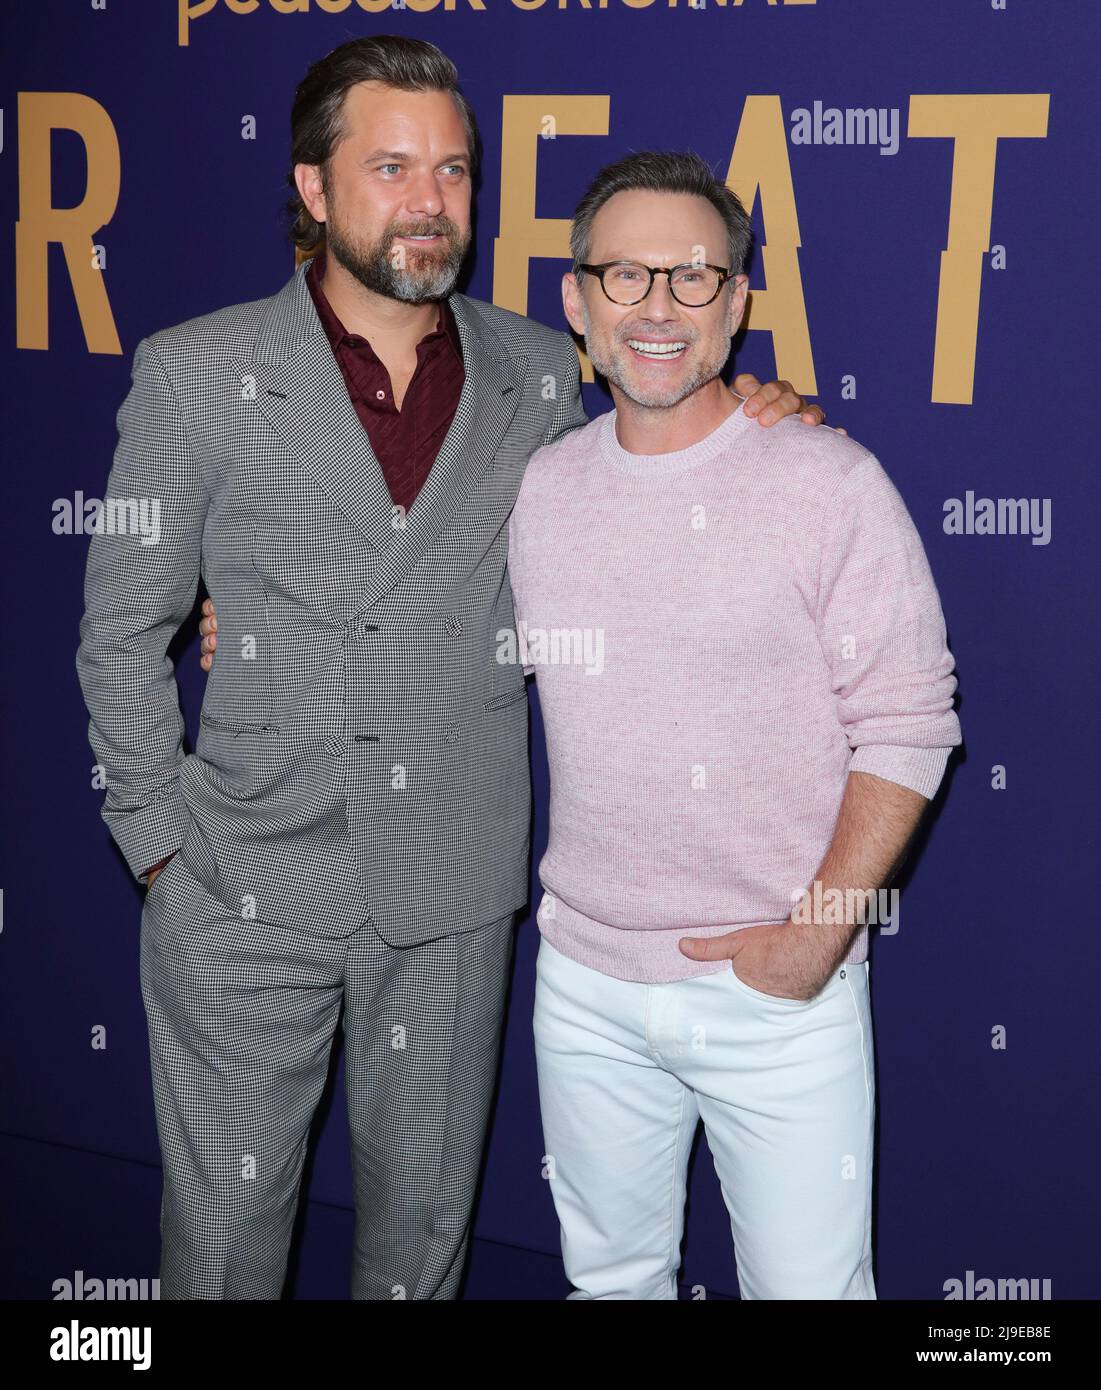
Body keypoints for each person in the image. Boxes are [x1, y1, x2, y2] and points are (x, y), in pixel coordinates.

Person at [77, 36, 820, 1301]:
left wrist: (756, 414)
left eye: (456, 172)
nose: (430, 201)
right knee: (219, 1251)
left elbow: (635, 502)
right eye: (391, 167)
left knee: (422, 1248)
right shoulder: (198, 372)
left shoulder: (541, 371)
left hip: (455, 892)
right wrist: (160, 846)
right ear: (314, 189)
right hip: (242, 889)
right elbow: (116, 633)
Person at [506, 150, 962, 1299]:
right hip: (585, 984)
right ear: (575, 300)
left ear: (738, 302)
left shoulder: (828, 483)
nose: (658, 307)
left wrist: (814, 937)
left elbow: (910, 723)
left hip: (776, 996)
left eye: (694, 277)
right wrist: (229, 614)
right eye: (624, 276)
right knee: (609, 1285)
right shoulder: (541, 487)